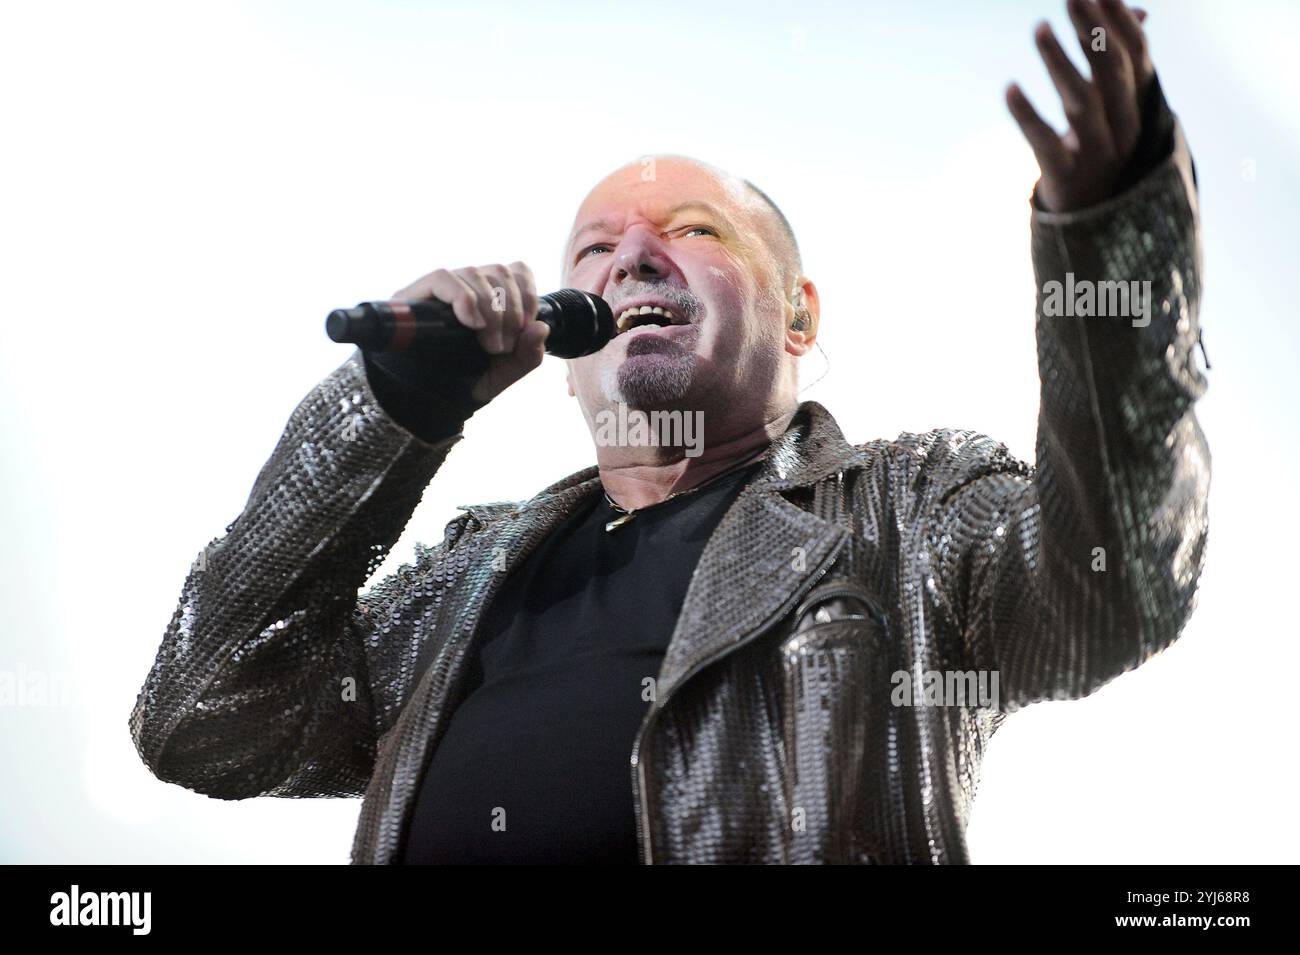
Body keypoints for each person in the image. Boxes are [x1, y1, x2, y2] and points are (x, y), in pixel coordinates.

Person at [129, 0, 1210, 864]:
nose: (633, 257)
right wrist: (393, 416)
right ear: (563, 355)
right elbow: (203, 716)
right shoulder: (463, 581)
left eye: (693, 232)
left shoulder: (907, 511)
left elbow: (1106, 594)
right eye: (594, 252)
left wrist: (1111, 239)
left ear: (798, 317)